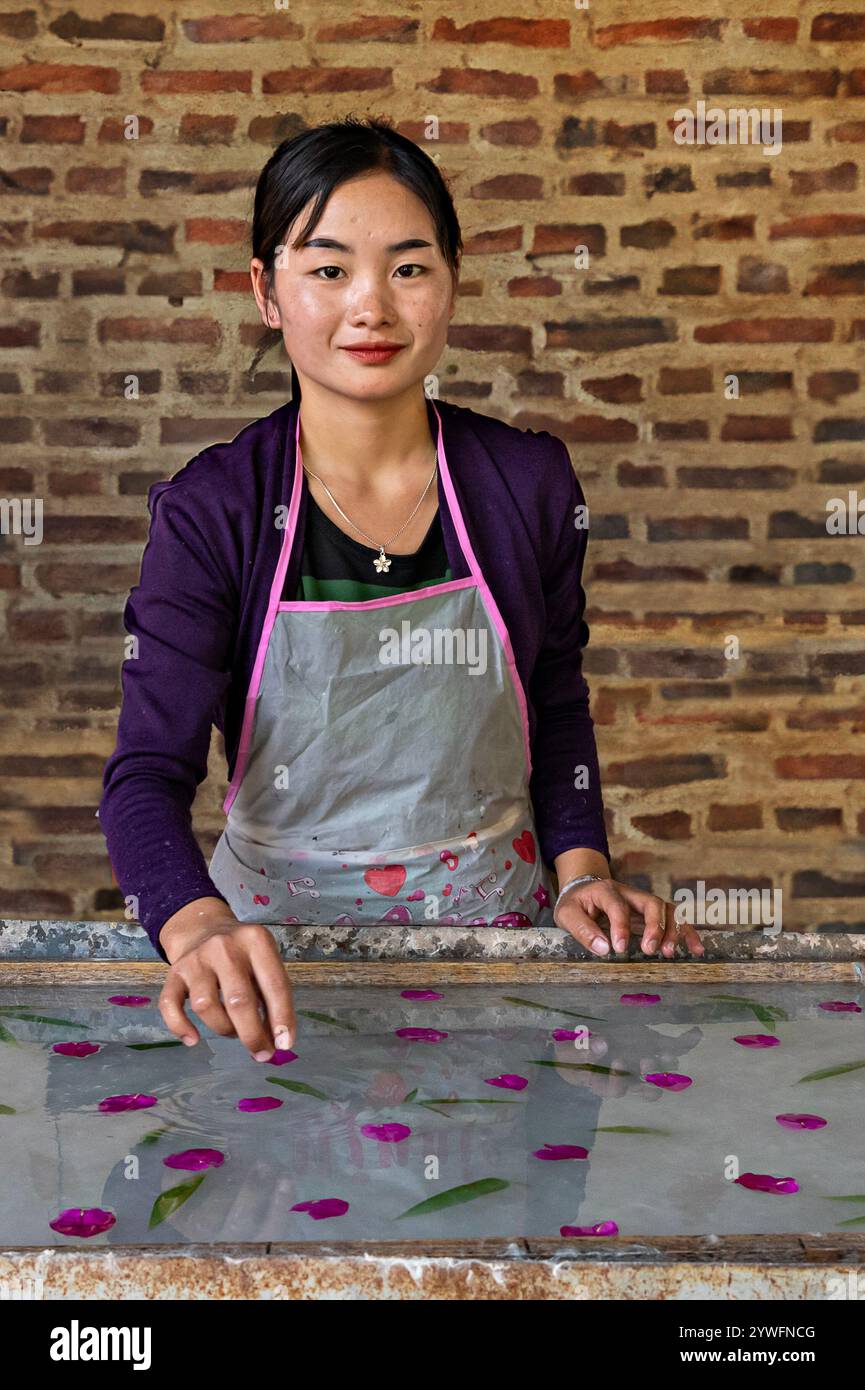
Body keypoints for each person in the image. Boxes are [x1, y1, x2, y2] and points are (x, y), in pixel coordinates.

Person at [98, 118, 703, 1063]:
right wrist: (195, 928)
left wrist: (582, 868)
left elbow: (552, 695)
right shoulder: (214, 510)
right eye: (328, 269)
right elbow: (145, 777)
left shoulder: (527, 483)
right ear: (266, 291)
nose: (370, 306)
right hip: (271, 969)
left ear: (452, 282)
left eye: (409, 268)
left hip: (497, 944)